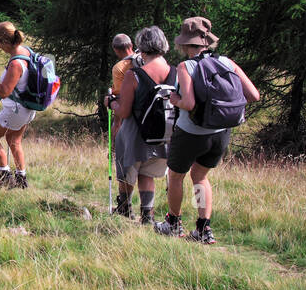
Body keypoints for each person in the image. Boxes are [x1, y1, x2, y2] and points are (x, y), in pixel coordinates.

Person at [154, 17, 259, 244]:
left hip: (191, 133)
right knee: (200, 176)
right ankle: (203, 229)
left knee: (175, 176)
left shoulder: (186, 66)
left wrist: (175, 99)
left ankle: (173, 223)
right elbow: (254, 95)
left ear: (184, 44)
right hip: (220, 133)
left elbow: (189, 103)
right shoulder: (227, 63)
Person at [112, 26, 172, 224]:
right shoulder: (175, 72)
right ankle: (148, 215)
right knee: (148, 174)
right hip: (163, 133)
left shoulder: (134, 75)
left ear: (141, 47)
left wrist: (111, 103)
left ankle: (124, 208)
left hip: (135, 133)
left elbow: (124, 110)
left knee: (127, 173)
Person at [0, 22, 36, 188]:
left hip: (15, 110)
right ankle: (21, 179)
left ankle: (4, 177)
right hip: (28, 107)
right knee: (13, 139)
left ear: (4, 42)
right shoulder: (26, 52)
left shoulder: (16, 63)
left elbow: (4, 92)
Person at [106, 32, 141, 211]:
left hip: (128, 119)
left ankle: (124, 205)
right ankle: (146, 211)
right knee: (143, 168)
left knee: (123, 163)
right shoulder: (145, 60)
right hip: (148, 121)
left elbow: (120, 98)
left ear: (115, 49)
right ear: (131, 44)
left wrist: (110, 101)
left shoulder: (120, 67)